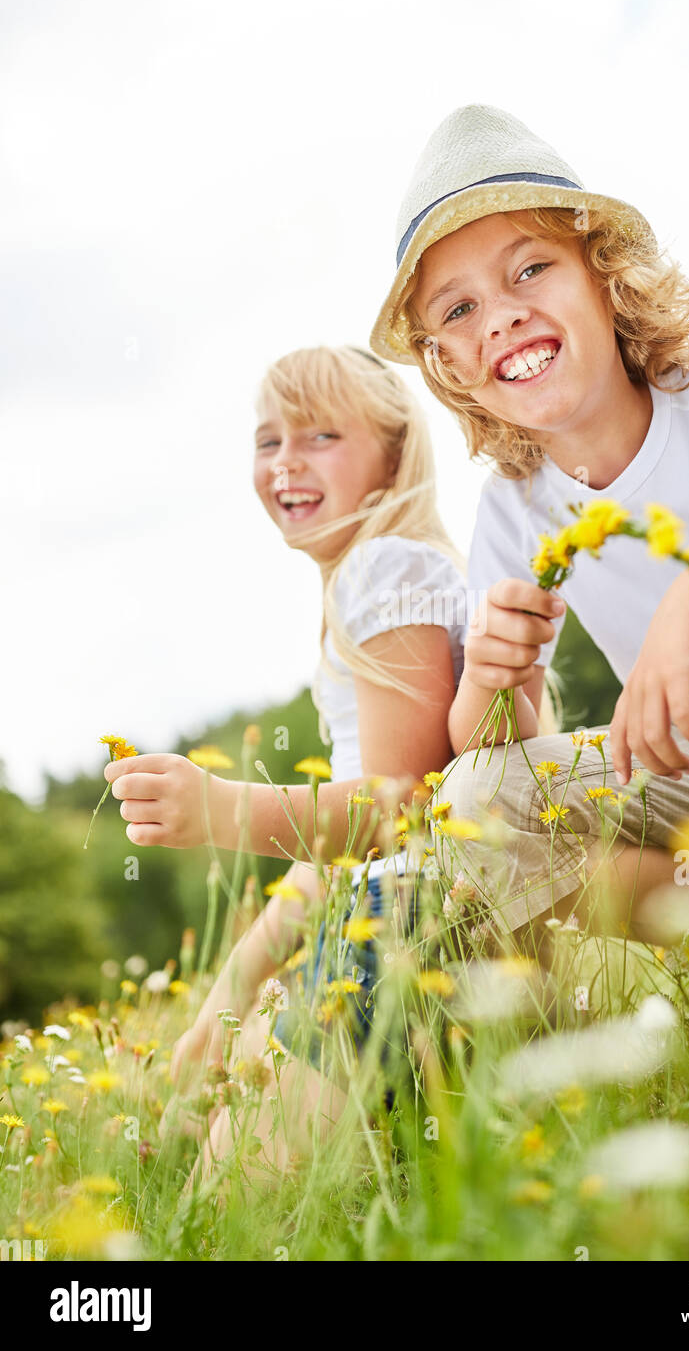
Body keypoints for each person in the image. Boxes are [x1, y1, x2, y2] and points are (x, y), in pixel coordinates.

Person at [367, 103, 689, 954]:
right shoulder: (516, 507)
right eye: (457, 311)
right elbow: (502, 750)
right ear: (451, 369)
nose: (499, 317)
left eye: (530, 269)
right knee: (475, 802)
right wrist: (492, 680)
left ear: (605, 273)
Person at [106, 345, 469, 1176]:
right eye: (268, 441)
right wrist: (229, 993)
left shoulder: (388, 567)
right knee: (211, 1154)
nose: (285, 463)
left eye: (320, 437)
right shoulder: (372, 575)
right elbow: (339, 856)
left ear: (391, 453)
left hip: (403, 928)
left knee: (229, 1202)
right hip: (390, 917)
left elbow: (398, 809)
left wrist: (222, 811)